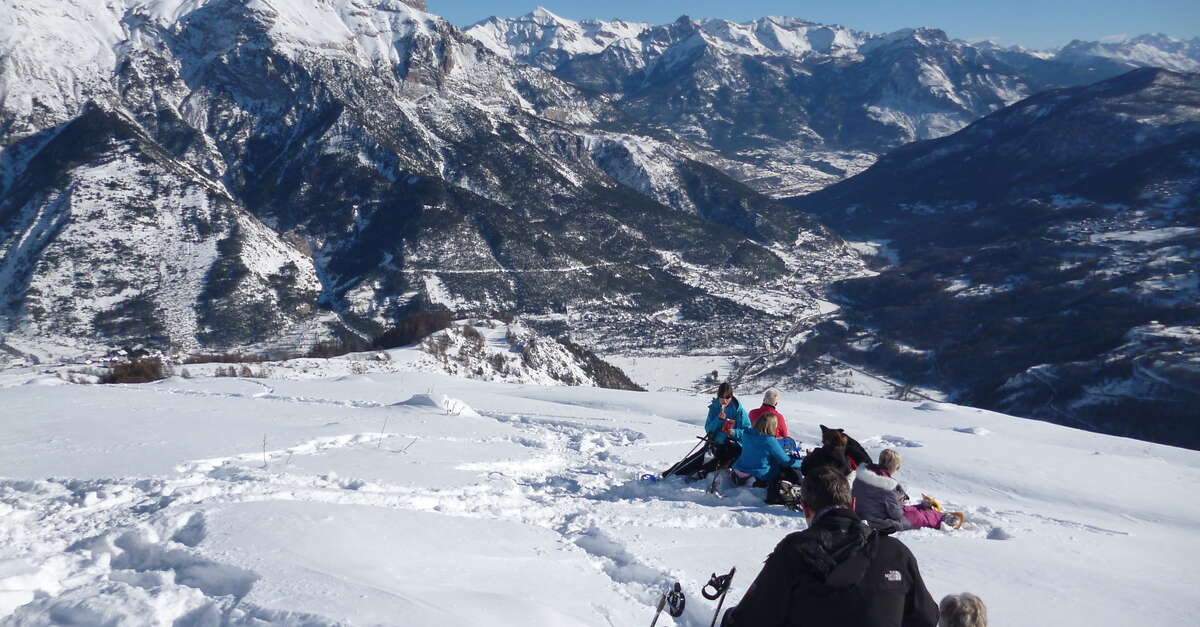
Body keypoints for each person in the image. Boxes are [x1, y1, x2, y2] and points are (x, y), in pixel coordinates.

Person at [720, 467, 939, 627]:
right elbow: (927, 616)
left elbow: (750, 619)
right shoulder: (895, 552)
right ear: (852, 504)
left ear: (806, 509)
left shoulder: (795, 551)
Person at [854, 449, 963, 532]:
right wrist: (900, 501)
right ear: (894, 466)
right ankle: (943, 519)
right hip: (878, 521)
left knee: (911, 509)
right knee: (916, 517)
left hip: (861, 514)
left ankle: (926, 508)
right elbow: (896, 514)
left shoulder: (862, 475)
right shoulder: (887, 486)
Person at [731, 409, 802, 504]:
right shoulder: (769, 440)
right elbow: (785, 461)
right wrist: (801, 462)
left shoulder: (747, 434)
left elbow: (739, 433)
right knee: (784, 469)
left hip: (738, 471)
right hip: (757, 476)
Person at [695, 382, 751, 477]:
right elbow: (708, 428)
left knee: (728, 456)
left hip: (732, 444)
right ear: (718, 396)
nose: (724, 401)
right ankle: (673, 472)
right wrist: (718, 420)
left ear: (731, 397)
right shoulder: (714, 407)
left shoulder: (739, 411)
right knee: (696, 458)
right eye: (722, 397)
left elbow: (747, 432)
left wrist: (734, 432)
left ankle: (704, 472)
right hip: (715, 441)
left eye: (727, 397)